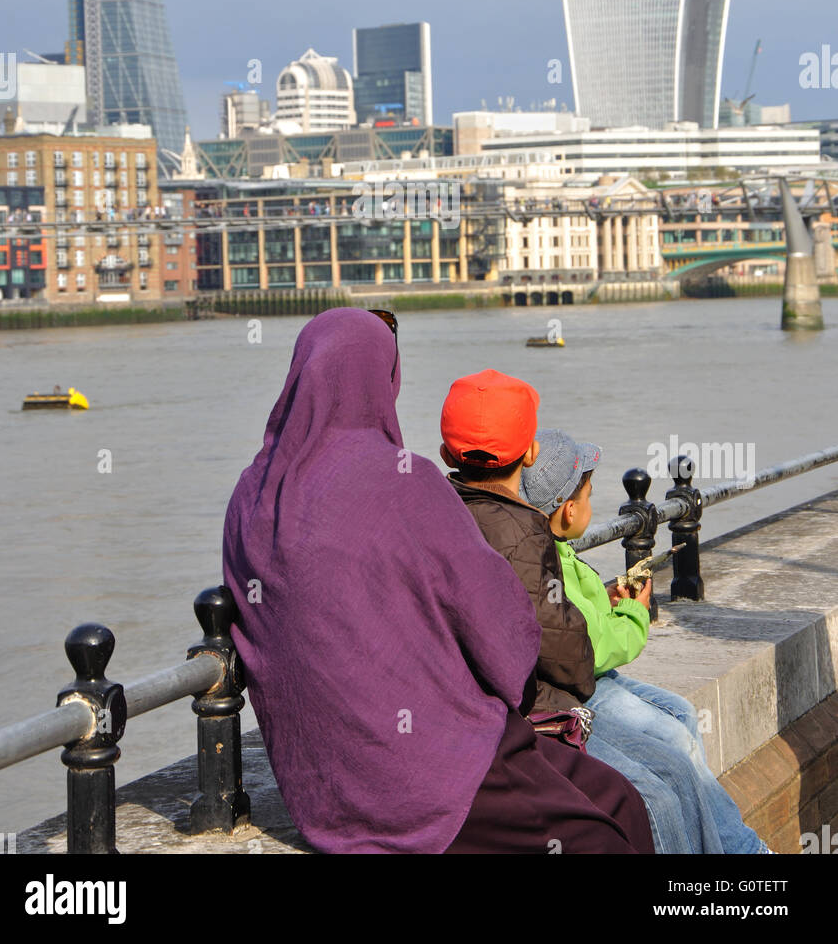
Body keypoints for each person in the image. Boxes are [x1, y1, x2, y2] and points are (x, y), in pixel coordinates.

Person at [222, 309, 653, 855]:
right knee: (610, 824)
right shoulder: (406, 479)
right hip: (429, 770)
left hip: (321, 785)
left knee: (611, 802)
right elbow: (505, 642)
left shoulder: (249, 495)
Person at [516, 426, 771, 854]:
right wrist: (635, 613)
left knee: (684, 715)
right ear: (565, 509)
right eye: (590, 495)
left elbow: (580, 615)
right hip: (584, 686)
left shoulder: (556, 551)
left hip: (589, 678)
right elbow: (593, 646)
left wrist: (612, 599)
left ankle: (729, 846)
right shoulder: (547, 561)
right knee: (673, 749)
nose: (593, 505)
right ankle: (742, 850)